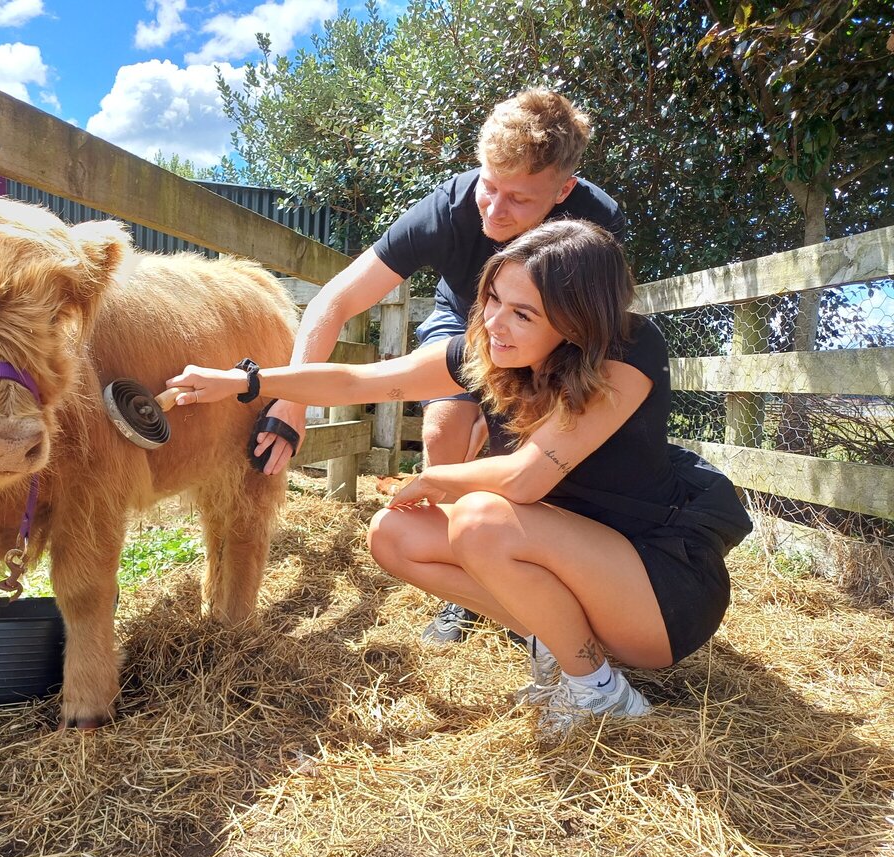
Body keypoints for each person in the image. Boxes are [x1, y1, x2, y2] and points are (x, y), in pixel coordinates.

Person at [167, 220, 738, 734]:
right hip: (571, 566)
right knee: (394, 534)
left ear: (577, 320)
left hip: (657, 592)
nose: (494, 323)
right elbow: (357, 383)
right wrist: (244, 383)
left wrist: (440, 482)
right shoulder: (488, 350)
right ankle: (559, 644)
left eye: (524, 313)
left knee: (483, 521)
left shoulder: (627, 352)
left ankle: (600, 693)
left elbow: (523, 481)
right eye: (493, 298)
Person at [251, 88, 626, 644]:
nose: (495, 212)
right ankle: (461, 589)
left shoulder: (598, 223)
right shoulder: (448, 210)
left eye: (520, 200)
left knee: (520, 448)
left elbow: (598, 334)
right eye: (488, 186)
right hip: (464, 319)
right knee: (442, 425)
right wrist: (292, 400)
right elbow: (336, 300)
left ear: (563, 190)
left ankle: (528, 575)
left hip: (549, 333)